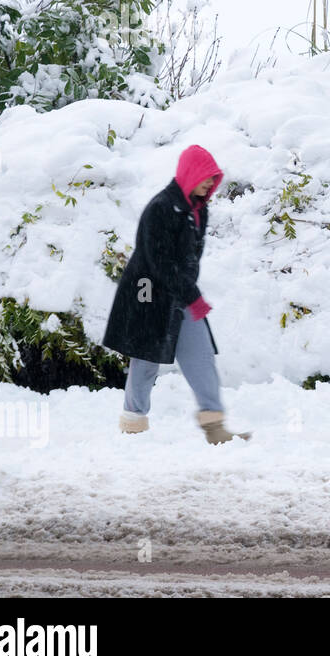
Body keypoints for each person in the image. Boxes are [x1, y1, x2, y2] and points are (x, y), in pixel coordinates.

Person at [102, 144, 250, 445]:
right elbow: (160, 262)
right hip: (147, 294)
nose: (211, 183)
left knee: (201, 355)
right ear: (190, 173)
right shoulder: (160, 208)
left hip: (180, 295)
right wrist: (191, 294)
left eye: (214, 178)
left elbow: (188, 259)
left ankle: (214, 425)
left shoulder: (198, 209)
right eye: (207, 176)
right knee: (145, 362)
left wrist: (187, 293)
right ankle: (133, 426)